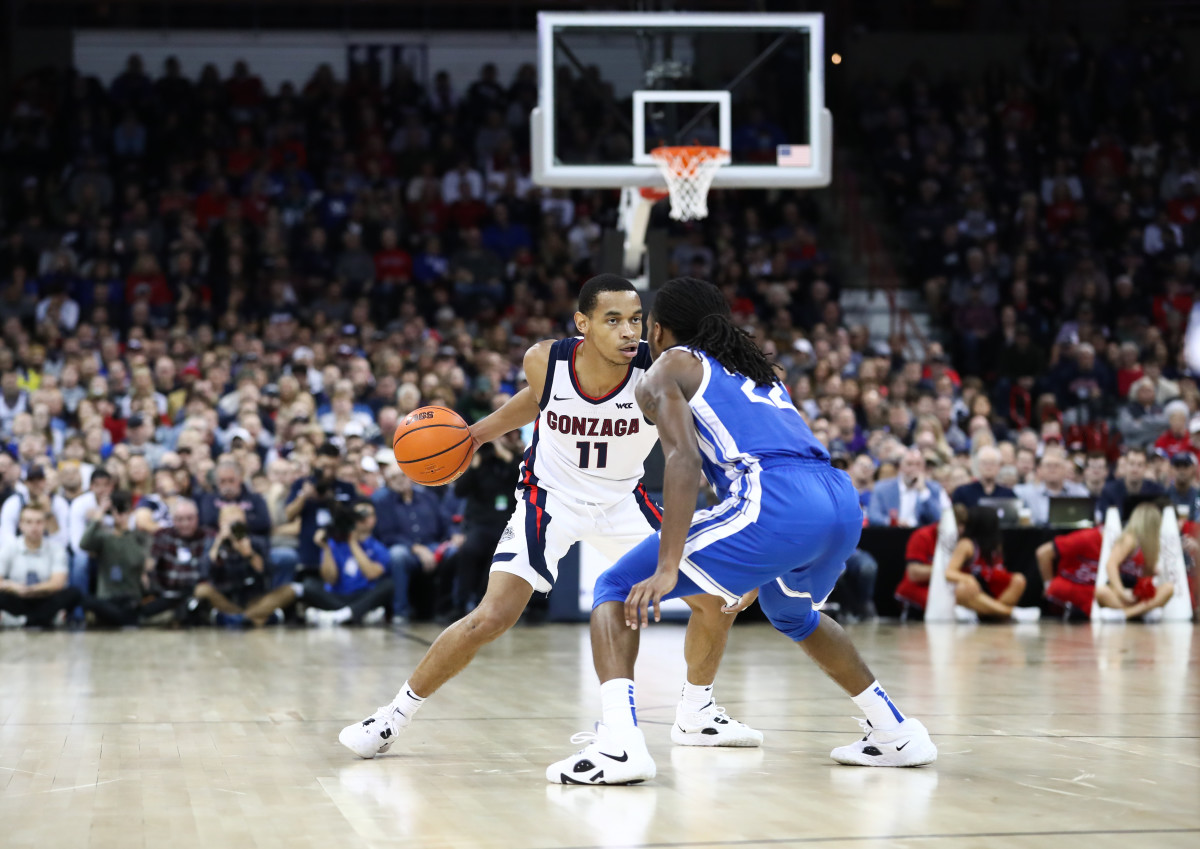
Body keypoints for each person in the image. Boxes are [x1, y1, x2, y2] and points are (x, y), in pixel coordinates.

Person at [339, 274, 761, 760]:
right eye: (613, 320)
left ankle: (697, 713)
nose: (629, 332)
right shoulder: (545, 360)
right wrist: (475, 435)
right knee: (492, 616)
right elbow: (539, 397)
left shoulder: (659, 370)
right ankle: (392, 717)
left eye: (636, 320)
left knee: (723, 599)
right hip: (549, 498)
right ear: (583, 323)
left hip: (623, 500)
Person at [545, 277, 937, 785]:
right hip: (838, 500)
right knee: (793, 614)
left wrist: (669, 567)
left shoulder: (672, 364)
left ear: (659, 329)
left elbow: (682, 461)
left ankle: (618, 746)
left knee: (615, 587)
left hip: (774, 500)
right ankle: (895, 732)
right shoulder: (761, 372)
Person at [371, 464, 448, 621]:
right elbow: (387, 536)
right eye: (393, 478)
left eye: (402, 475)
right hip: (406, 550)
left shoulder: (428, 497)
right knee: (397, 555)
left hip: (433, 546)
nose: (399, 480)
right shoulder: (383, 503)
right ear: (388, 482)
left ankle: (450, 608)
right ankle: (401, 611)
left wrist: (453, 537)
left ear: (410, 476)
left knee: (453, 552)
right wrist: (417, 549)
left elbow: (444, 523)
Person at [300, 501, 394, 626]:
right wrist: (326, 548)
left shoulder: (378, 547)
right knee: (309, 584)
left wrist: (353, 542)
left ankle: (338, 615)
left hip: (363, 594)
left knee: (388, 585)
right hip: (336, 595)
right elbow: (330, 579)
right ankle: (357, 614)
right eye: (357, 515)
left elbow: (371, 574)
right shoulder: (334, 543)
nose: (361, 519)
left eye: (366, 514)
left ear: (373, 519)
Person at [943, 506, 1040, 622]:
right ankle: (1010, 612)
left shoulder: (995, 545)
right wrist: (968, 578)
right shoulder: (967, 544)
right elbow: (949, 572)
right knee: (962, 588)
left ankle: (985, 613)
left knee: (1019, 579)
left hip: (991, 589)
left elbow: (998, 571)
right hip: (975, 591)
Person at [79, 490, 152, 626]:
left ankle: (121, 619)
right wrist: (99, 514)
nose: (119, 514)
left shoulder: (138, 537)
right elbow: (84, 544)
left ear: (130, 511)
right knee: (85, 600)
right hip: (108, 598)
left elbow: (138, 560)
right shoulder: (104, 537)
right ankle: (125, 620)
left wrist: (127, 528)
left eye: (123, 510)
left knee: (134, 608)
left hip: (131, 597)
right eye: (116, 510)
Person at [0, 505, 80, 628]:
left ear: (45, 524)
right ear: (21, 525)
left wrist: (32, 590)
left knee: (73, 593)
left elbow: (58, 583)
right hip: (17, 598)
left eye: (39, 522)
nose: (34, 527)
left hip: (45, 598)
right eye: (29, 522)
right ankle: (45, 619)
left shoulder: (56, 549)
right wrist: (13, 586)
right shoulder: (9, 548)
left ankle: (21, 621)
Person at [1093, 503, 1176, 622]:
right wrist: (1122, 592)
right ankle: (1143, 612)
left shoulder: (1151, 546)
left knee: (1168, 588)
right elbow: (1111, 565)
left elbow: (1147, 576)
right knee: (1101, 592)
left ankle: (1125, 614)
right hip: (1121, 590)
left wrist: (1153, 572)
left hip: (1137, 593)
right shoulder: (1129, 538)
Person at [894, 505, 968, 612]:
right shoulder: (922, 536)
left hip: (946, 587)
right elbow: (913, 573)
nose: (959, 530)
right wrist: (947, 570)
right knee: (945, 604)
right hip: (918, 586)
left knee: (967, 597)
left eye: (962, 525)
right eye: (957, 524)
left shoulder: (962, 540)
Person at [866, 447, 945, 527]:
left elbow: (937, 519)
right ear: (900, 467)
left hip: (919, 535)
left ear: (924, 468)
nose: (914, 468)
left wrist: (923, 491)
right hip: (891, 534)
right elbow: (873, 516)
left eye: (918, 464)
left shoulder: (933, 488)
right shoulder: (882, 488)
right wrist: (894, 523)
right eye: (909, 464)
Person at [1014, 445, 1089, 526]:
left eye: (1057, 465)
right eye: (1048, 465)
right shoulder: (1025, 493)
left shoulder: (1079, 492)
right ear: (1040, 469)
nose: (1052, 469)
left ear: (1065, 469)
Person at [1097, 447, 1165, 520]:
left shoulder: (1157, 491)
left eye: (1140, 465)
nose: (1135, 469)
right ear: (1125, 465)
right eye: (1131, 464)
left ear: (1146, 467)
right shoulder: (1109, 491)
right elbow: (1104, 520)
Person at [951, 445, 1016, 507]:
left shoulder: (1008, 495)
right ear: (978, 466)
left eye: (992, 463)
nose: (988, 467)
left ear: (999, 466)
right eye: (984, 463)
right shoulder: (963, 493)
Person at [1165, 452, 1200, 521]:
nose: (1182, 471)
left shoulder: (1198, 495)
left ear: (1192, 469)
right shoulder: (1165, 495)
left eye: (1185, 466)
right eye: (1177, 466)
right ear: (1171, 469)